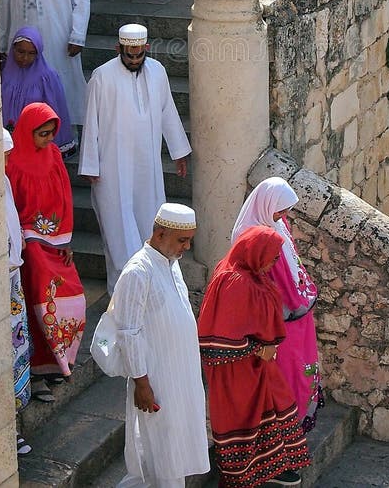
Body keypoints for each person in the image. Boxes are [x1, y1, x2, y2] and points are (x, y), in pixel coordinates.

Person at [78, 24, 191, 293]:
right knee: (118, 233)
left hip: (147, 166)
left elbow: (168, 112)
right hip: (112, 168)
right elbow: (90, 121)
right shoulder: (102, 77)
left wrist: (179, 152)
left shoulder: (158, 73)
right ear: (119, 49)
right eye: (129, 56)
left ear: (146, 50)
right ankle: (122, 298)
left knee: (151, 220)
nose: (134, 61)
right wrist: (90, 164)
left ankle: (156, 291)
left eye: (139, 56)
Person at [198, 226, 311, 488]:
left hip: (257, 364)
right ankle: (243, 474)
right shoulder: (233, 281)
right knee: (244, 418)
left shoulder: (249, 275)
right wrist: (257, 349)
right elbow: (216, 335)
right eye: (271, 258)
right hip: (237, 369)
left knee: (274, 407)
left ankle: (270, 467)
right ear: (255, 252)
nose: (273, 264)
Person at [113, 203, 210, 488]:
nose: (187, 247)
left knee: (173, 453)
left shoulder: (170, 263)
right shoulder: (137, 272)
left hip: (180, 378)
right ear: (160, 233)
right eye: (182, 240)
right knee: (163, 454)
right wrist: (142, 383)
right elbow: (128, 332)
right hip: (157, 381)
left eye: (190, 240)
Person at [6, 103, 86, 401]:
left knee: (71, 297)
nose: (48, 140)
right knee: (40, 302)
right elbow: (10, 205)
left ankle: (58, 362)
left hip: (55, 240)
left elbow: (65, 196)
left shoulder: (53, 155)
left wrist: (65, 239)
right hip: (29, 243)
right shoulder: (12, 162)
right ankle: (37, 371)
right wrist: (21, 238)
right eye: (42, 134)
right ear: (28, 132)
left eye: (51, 134)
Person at [231, 178, 324, 433]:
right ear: (266, 203)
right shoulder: (249, 234)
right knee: (285, 369)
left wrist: (301, 296)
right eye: (280, 209)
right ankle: (282, 425)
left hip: (296, 309)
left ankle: (297, 418)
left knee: (300, 366)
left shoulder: (277, 223)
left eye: (286, 210)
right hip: (275, 316)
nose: (284, 215)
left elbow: (292, 262)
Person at [1, 25, 76, 156]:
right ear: (13, 49)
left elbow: (56, 110)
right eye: (20, 52)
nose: (25, 58)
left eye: (31, 53)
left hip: (35, 145)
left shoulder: (47, 77)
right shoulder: (3, 73)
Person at [3, 128, 32, 456]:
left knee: (17, 355)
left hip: (14, 281)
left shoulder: (5, 183)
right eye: (5, 156)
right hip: (2, 285)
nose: (7, 162)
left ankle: (15, 428)